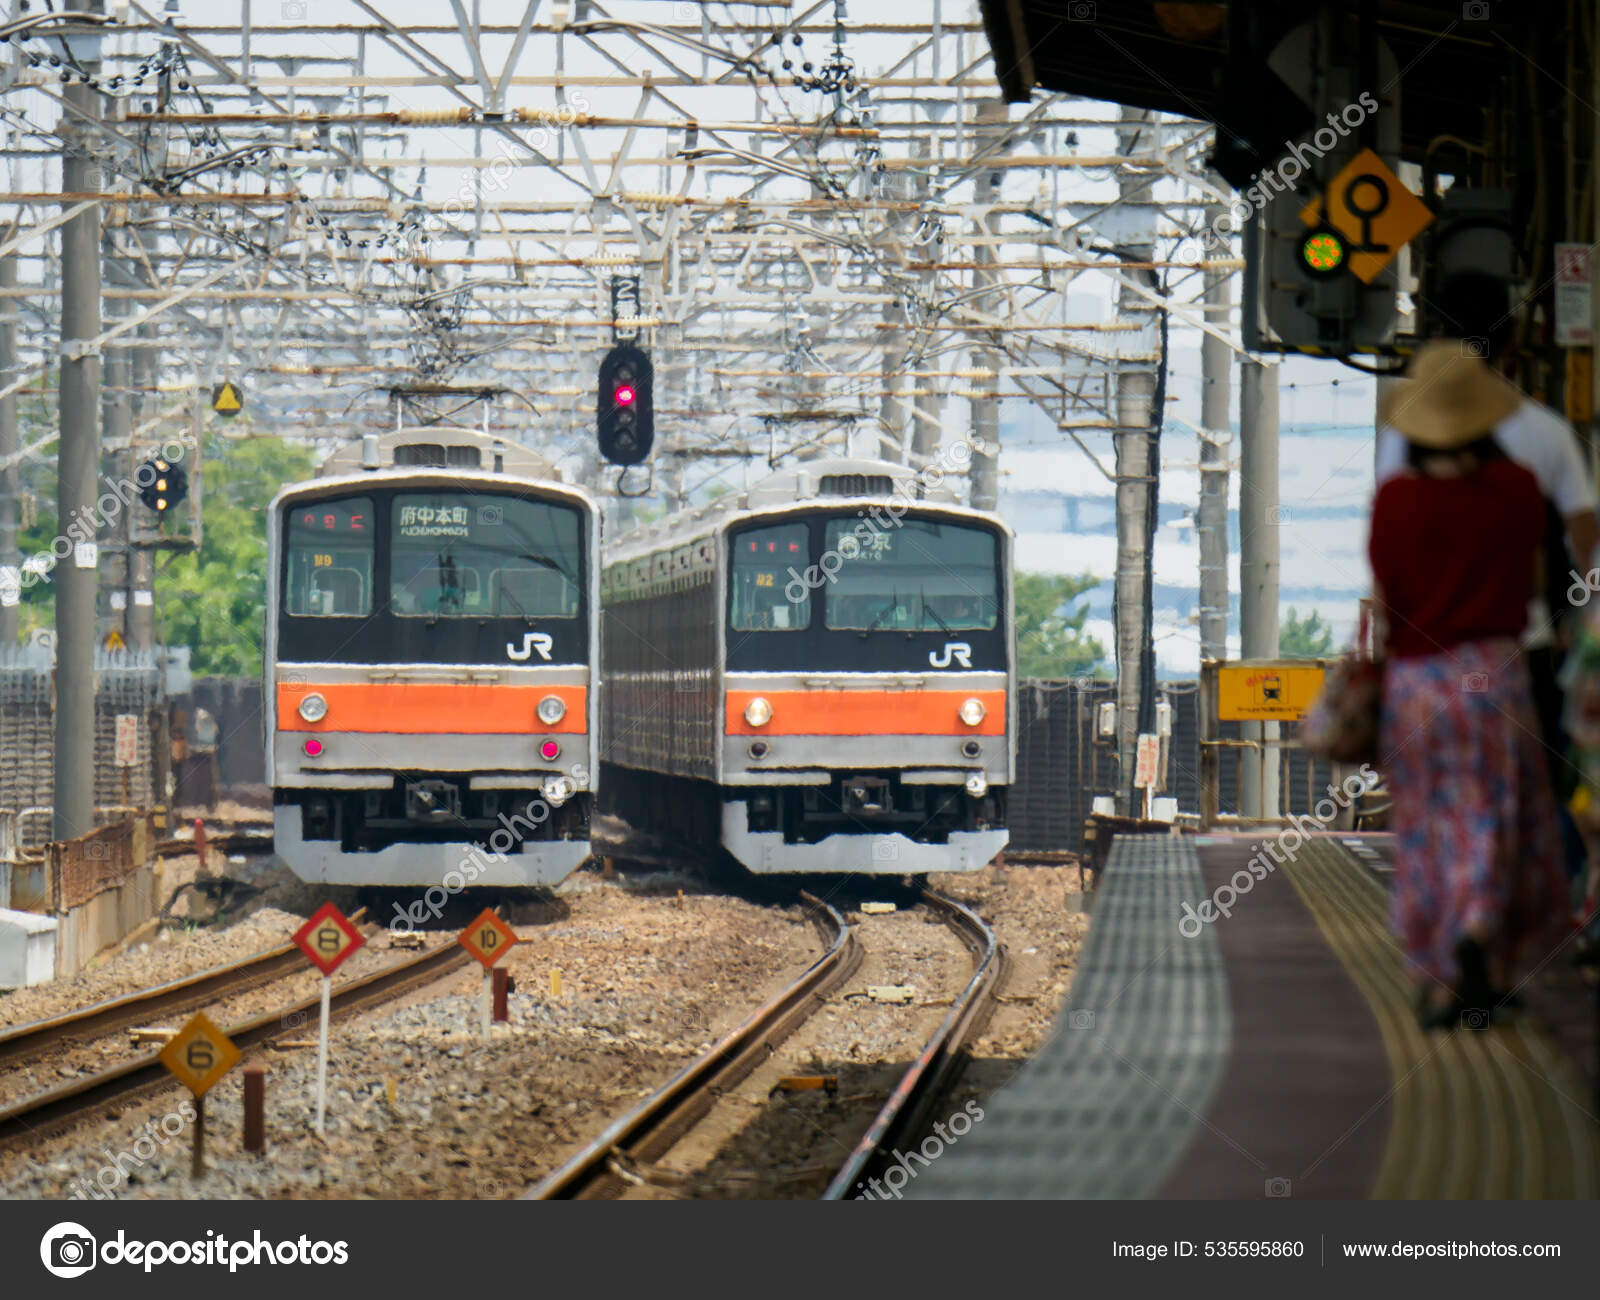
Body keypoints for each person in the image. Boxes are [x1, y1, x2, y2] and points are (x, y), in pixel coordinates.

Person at [1369, 340, 1568, 1029]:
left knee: (1428, 825)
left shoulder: (1395, 501)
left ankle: (1442, 974)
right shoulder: (1517, 491)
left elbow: (1388, 599)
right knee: (1496, 819)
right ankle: (1486, 933)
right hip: (1495, 676)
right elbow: (1536, 583)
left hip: (1418, 683)